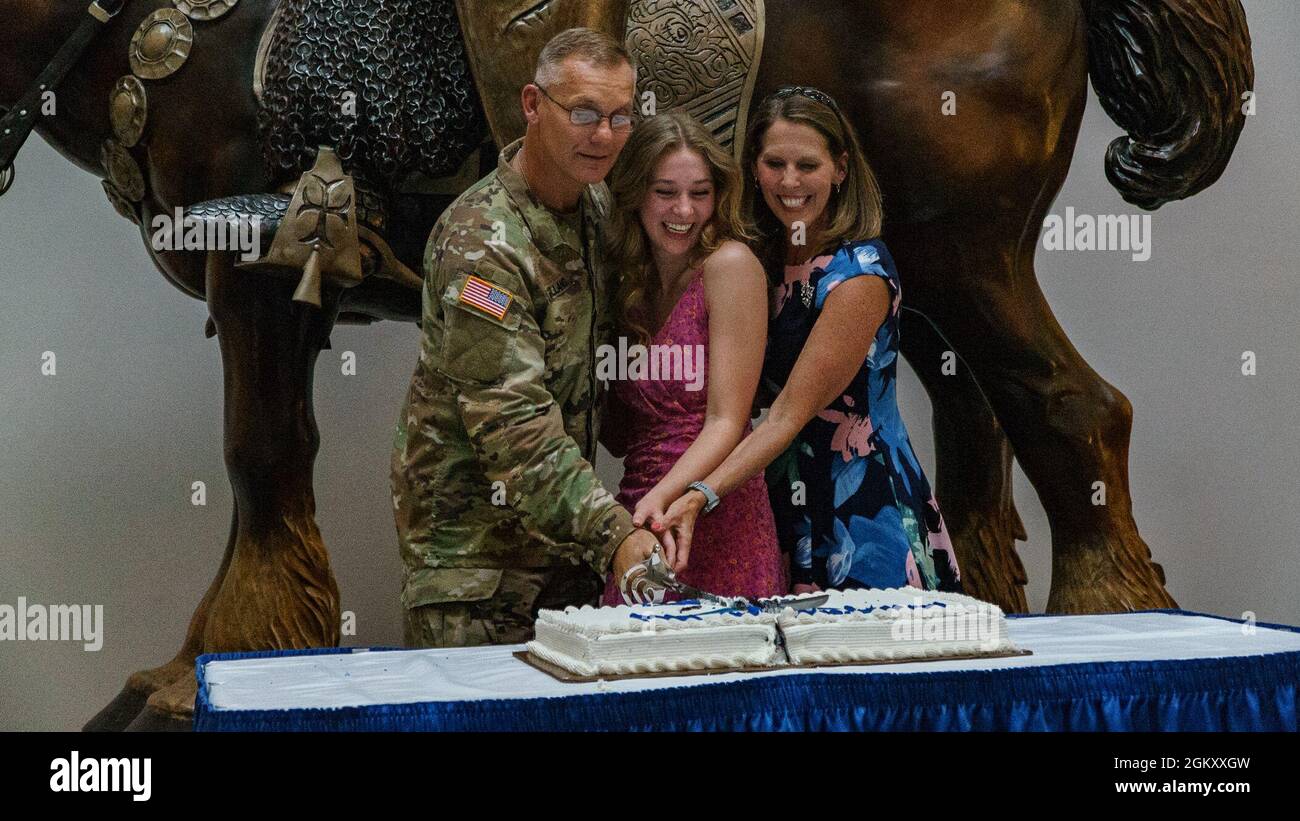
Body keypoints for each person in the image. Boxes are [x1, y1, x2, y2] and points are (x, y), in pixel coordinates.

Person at [390, 28, 663, 649]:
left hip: (561, 559)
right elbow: (511, 423)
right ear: (533, 105)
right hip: (479, 573)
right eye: (585, 114)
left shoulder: (591, 209)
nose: (603, 136)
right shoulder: (482, 246)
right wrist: (615, 535)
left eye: (621, 118)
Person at [651, 86, 963, 595]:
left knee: (872, 665)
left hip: (861, 502)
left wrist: (701, 493)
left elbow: (786, 414)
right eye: (775, 163)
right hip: (780, 496)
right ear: (754, 168)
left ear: (840, 169)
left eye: (807, 165)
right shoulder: (762, 263)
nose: (789, 181)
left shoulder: (859, 271)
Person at [597, 110, 785, 604]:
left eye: (700, 193)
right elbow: (618, 435)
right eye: (665, 192)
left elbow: (728, 421)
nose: (684, 210)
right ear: (636, 194)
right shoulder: (629, 288)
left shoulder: (731, 266)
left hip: (714, 508)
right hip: (641, 510)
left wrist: (664, 499)